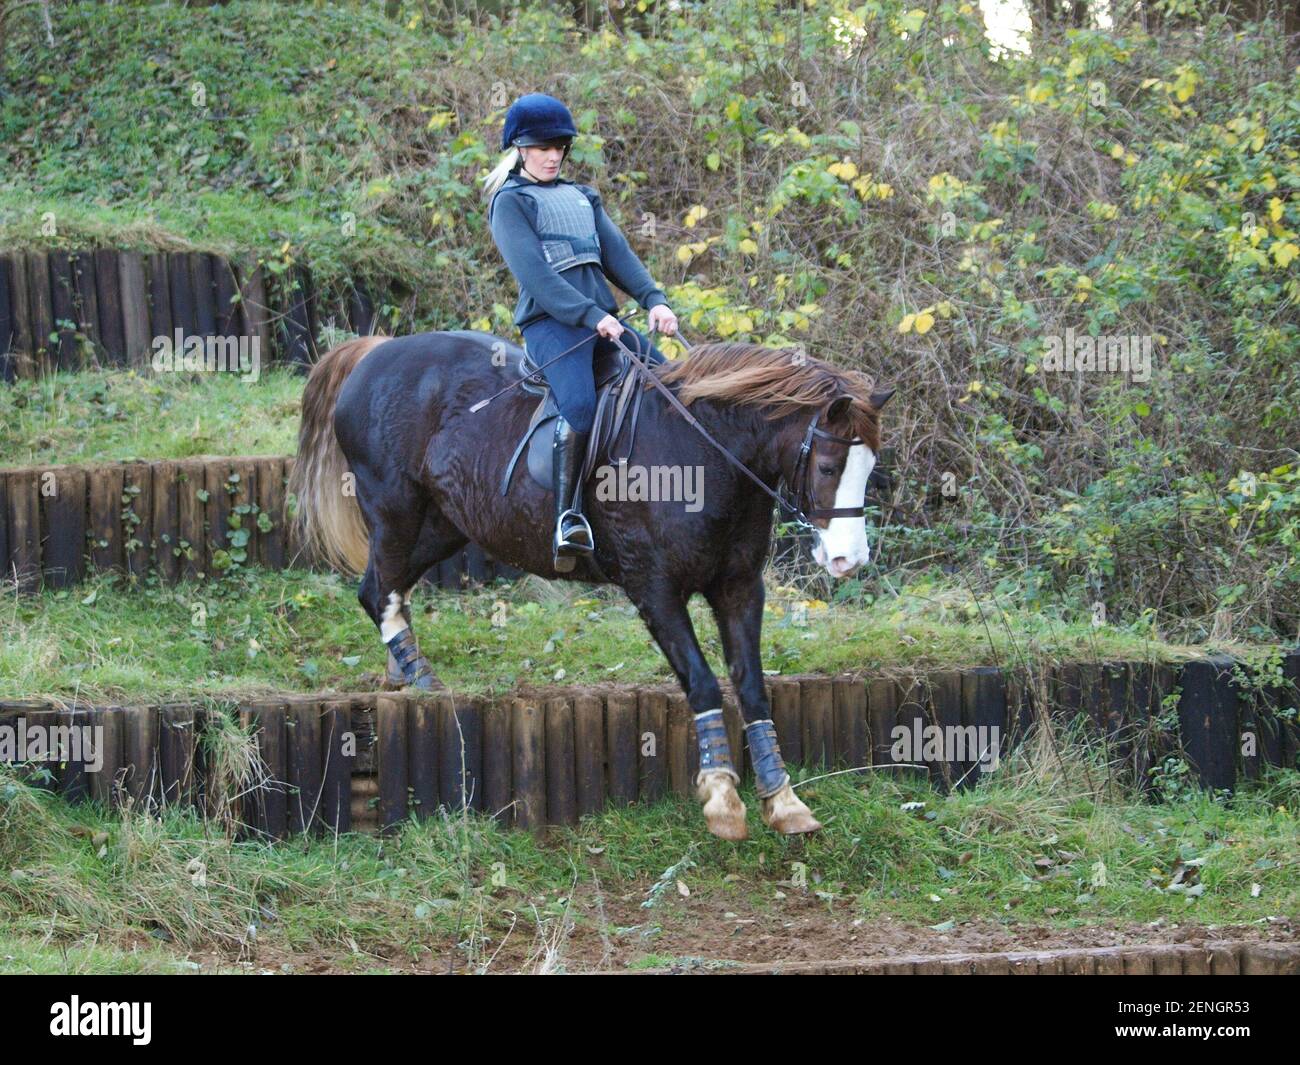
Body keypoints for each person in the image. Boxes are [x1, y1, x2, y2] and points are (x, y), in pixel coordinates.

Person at [483, 92, 679, 571]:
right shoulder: (510, 203)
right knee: (580, 405)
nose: (553, 156)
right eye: (542, 147)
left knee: (668, 384)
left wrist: (653, 299)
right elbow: (537, 277)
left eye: (559, 147)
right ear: (520, 149)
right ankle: (567, 518)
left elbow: (618, 255)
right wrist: (591, 315)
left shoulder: (582, 197)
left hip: (603, 323)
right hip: (554, 325)